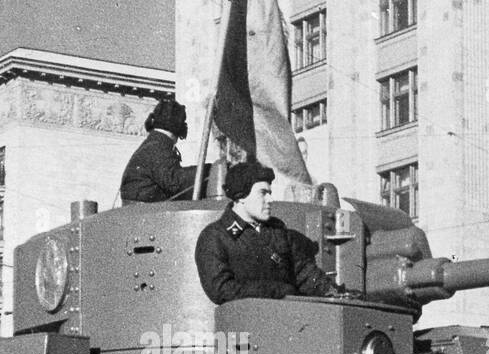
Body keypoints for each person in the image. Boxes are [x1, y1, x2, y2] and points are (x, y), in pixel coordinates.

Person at [195, 159, 341, 305]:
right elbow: (222, 290)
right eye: (263, 193)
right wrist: (276, 291)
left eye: (269, 193)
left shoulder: (278, 232)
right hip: (243, 321)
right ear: (241, 196)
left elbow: (304, 273)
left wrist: (333, 293)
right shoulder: (215, 237)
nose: (270, 199)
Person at [119, 99, 202, 205]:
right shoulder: (159, 147)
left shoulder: (154, 143)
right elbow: (174, 183)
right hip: (147, 214)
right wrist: (206, 171)